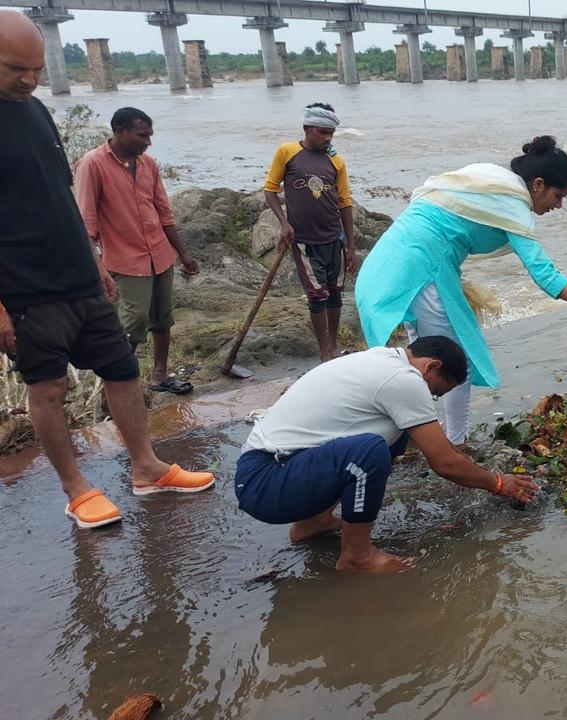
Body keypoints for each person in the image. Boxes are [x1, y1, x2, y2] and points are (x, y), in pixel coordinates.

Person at [0, 10, 215, 529]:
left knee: (122, 369)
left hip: (80, 275)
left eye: (36, 68)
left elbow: (60, 195)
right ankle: (77, 490)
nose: (29, 80)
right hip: (25, 287)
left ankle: (147, 467)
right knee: (49, 387)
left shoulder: (34, 109)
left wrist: (94, 259)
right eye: (15, 69)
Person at [355, 136, 567, 446]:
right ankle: (454, 443)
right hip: (422, 271)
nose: (558, 205)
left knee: (418, 360)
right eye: (558, 195)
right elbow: (546, 278)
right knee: (454, 362)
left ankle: (406, 431)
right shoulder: (512, 205)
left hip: (395, 263)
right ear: (537, 185)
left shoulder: (496, 181)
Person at [234, 336, 540, 573]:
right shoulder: (403, 380)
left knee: (394, 434)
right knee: (369, 451)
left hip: (267, 472)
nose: (431, 397)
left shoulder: (381, 360)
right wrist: (499, 483)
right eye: (436, 392)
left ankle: (313, 523)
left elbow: (437, 446)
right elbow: (444, 463)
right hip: (267, 484)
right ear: (432, 366)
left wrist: (470, 463)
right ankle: (357, 556)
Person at [75, 106, 200, 394]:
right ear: (120, 132)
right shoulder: (92, 165)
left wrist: (183, 254)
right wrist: (97, 266)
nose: (148, 142)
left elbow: (164, 212)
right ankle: (118, 385)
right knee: (133, 322)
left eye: (150, 135)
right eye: (142, 135)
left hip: (160, 254)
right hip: (125, 259)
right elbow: (86, 223)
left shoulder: (148, 164)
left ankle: (160, 375)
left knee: (162, 317)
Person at [264, 102, 356, 362]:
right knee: (317, 296)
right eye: (322, 133)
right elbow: (270, 189)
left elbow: (344, 202)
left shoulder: (336, 161)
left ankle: (334, 345)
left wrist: (350, 246)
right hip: (304, 241)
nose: (327, 138)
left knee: (335, 293)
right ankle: (324, 350)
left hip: (334, 238)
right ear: (307, 128)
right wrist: (284, 223)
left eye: (331, 133)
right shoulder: (287, 153)